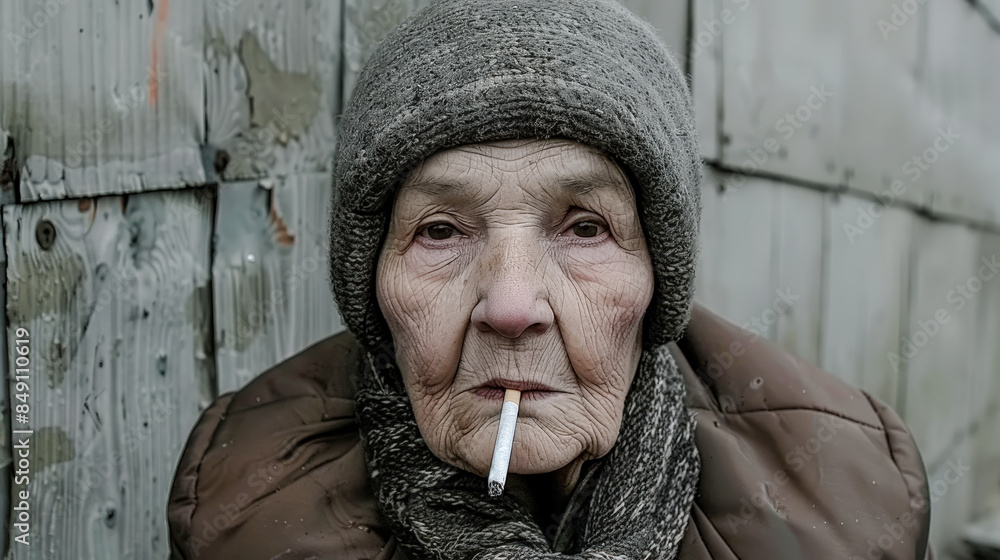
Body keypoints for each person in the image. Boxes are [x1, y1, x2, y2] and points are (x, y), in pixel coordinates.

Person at [167, 0, 934, 558]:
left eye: (584, 228)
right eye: (439, 232)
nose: (509, 306)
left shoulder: (851, 505)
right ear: (371, 286)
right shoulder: (240, 512)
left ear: (656, 283)